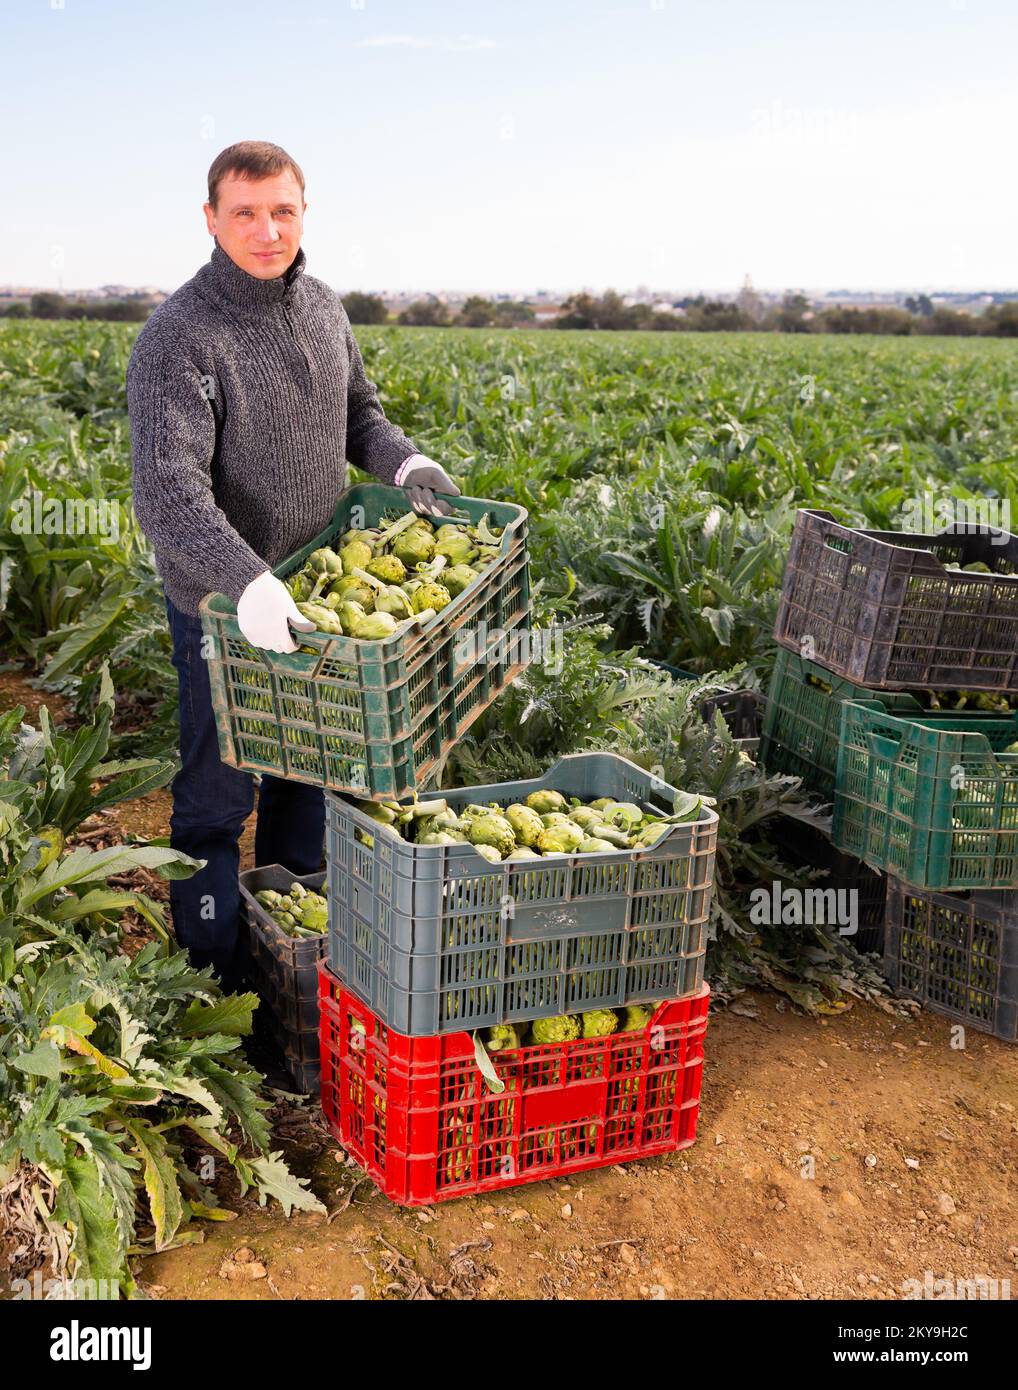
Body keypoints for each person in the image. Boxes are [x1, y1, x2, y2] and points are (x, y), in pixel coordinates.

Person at [126, 140, 458, 990]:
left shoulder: (321, 307)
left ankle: (289, 968)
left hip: (315, 597)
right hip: (224, 611)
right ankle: (210, 987)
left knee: (309, 776)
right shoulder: (180, 337)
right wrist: (248, 584)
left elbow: (361, 417)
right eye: (245, 212)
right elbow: (168, 497)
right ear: (211, 220)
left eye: (282, 210)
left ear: (303, 213)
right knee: (216, 795)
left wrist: (404, 464)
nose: (266, 229)